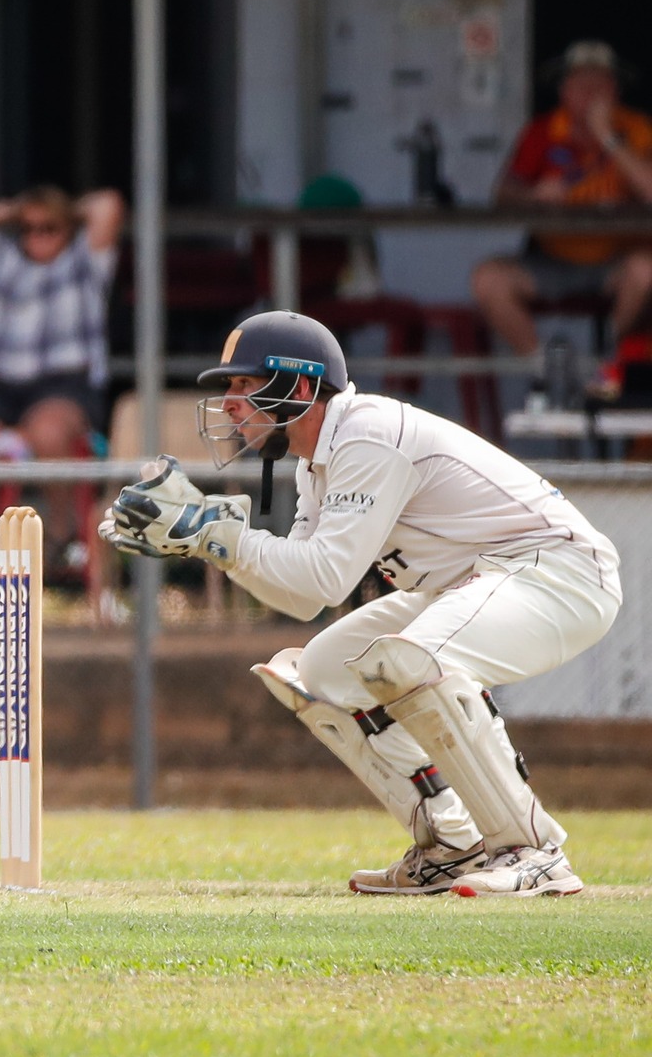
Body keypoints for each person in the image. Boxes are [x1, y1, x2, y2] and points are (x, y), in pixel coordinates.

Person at [102, 311, 619, 897]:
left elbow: (322, 576)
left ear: (298, 387)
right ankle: (452, 843)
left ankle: (533, 850)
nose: (231, 404)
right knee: (321, 672)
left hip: (558, 572)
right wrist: (211, 542)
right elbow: (303, 596)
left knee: (414, 656)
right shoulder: (315, 461)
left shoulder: (366, 434)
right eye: (230, 389)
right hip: (477, 580)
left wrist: (222, 537)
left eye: (245, 385)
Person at [0, 186, 123, 530]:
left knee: (46, 433)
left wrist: (60, 208)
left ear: (67, 229)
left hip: (62, 385)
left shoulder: (84, 259)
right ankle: (10, 534)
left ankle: (63, 535)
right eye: (28, 228)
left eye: (48, 228)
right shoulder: (3, 258)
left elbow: (109, 205)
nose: (37, 235)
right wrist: (14, 210)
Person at [471, 39, 652, 357]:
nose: (591, 93)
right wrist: (533, 195)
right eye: (582, 84)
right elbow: (503, 195)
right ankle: (546, 373)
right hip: (553, 258)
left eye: (601, 84)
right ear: (564, 90)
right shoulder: (542, 131)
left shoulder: (637, 128)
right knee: (489, 279)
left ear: (616, 90)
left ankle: (602, 364)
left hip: (620, 260)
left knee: (646, 270)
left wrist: (606, 135)